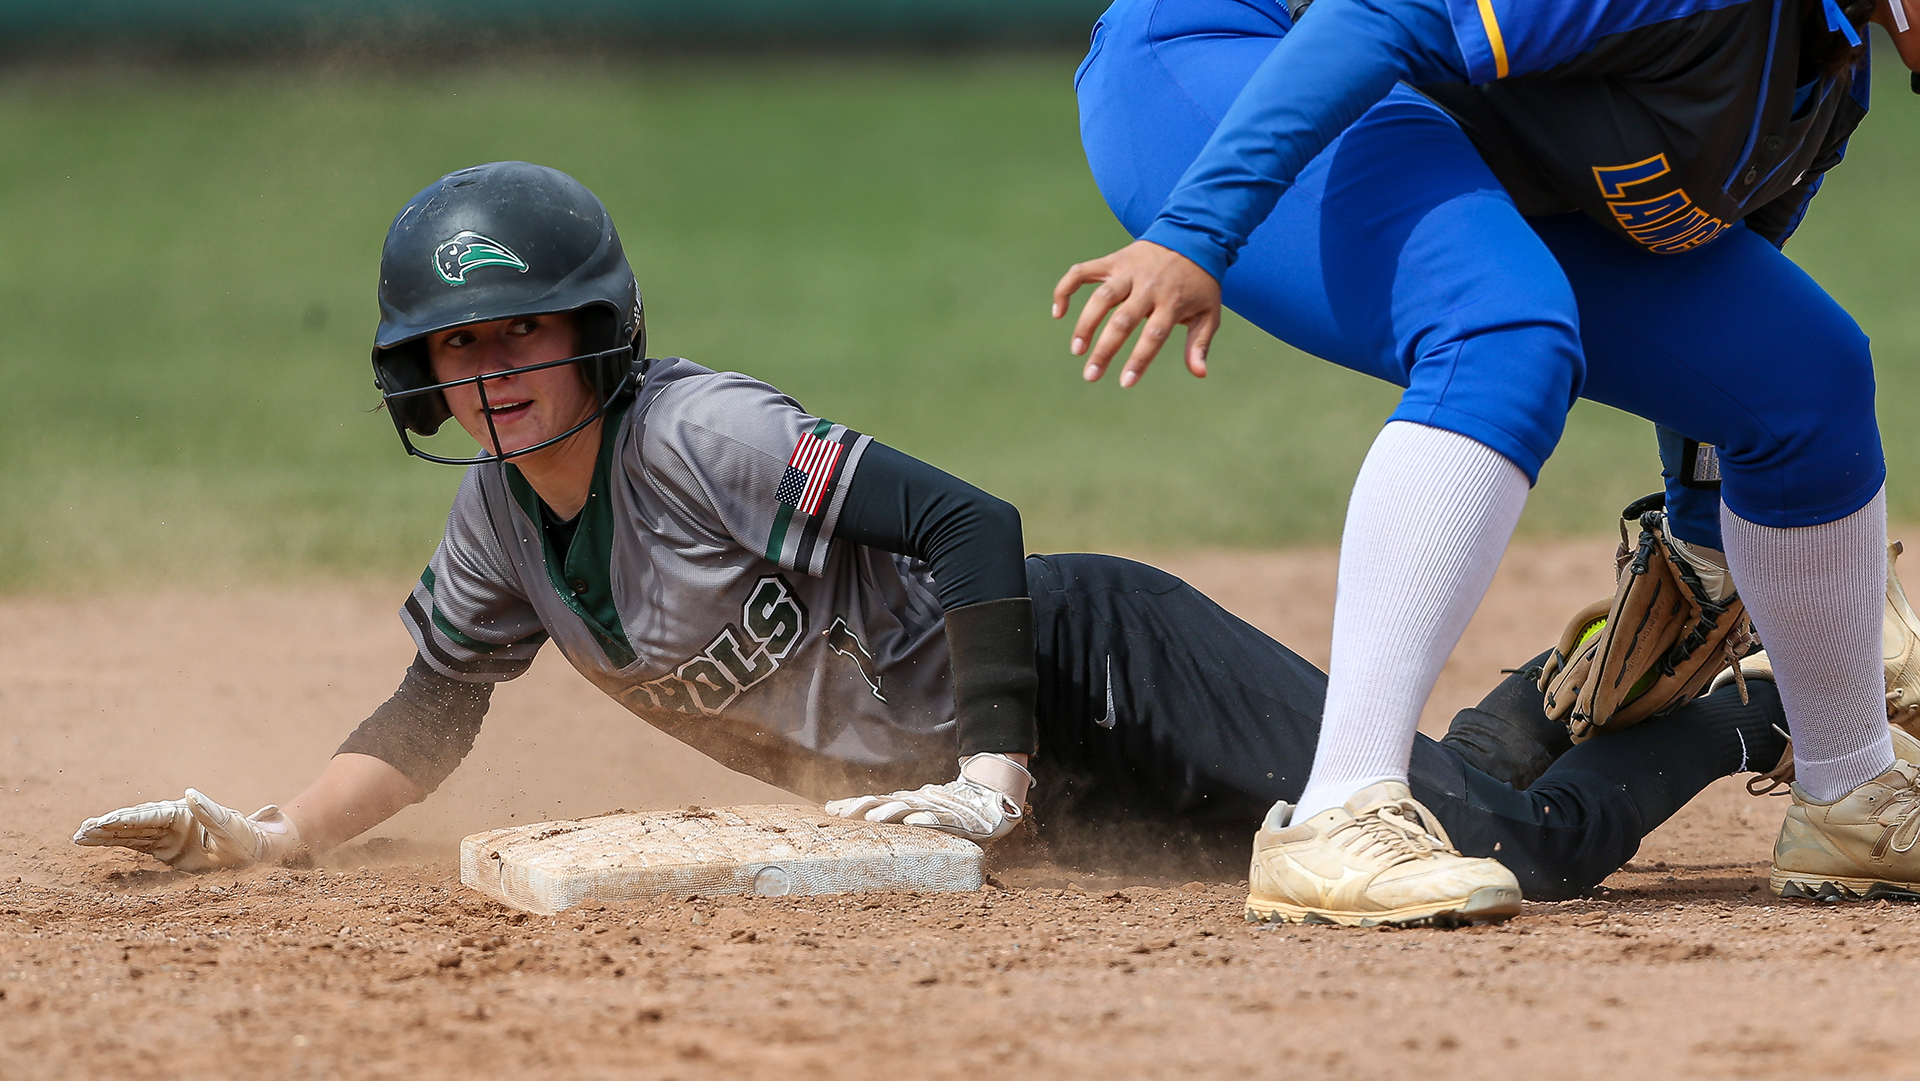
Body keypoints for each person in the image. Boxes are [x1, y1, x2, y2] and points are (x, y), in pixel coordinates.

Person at [70, 162, 1847, 927]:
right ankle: (1592, 665)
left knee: (1496, 866)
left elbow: (967, 523)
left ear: (592, 335)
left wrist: (996, 763)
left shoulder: (698, 434)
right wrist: (275, 834)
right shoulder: (497, 534)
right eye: (460, 350)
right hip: (1007, 778)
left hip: (1078, 664)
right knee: (1379, 836)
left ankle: (1753, 712)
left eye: (519, 335)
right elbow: (429, 713)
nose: (494, 373)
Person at [1053, 0, 1920, 919]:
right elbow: (1374, 19)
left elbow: (1722, 322)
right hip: (1237, 58)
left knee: (1801, 371)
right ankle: (1338, 808)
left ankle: (1851, 793)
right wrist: (1196, 230)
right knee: (1499, 326)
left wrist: (1702, 551)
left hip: (1440, 109)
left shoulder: (1822, 67)